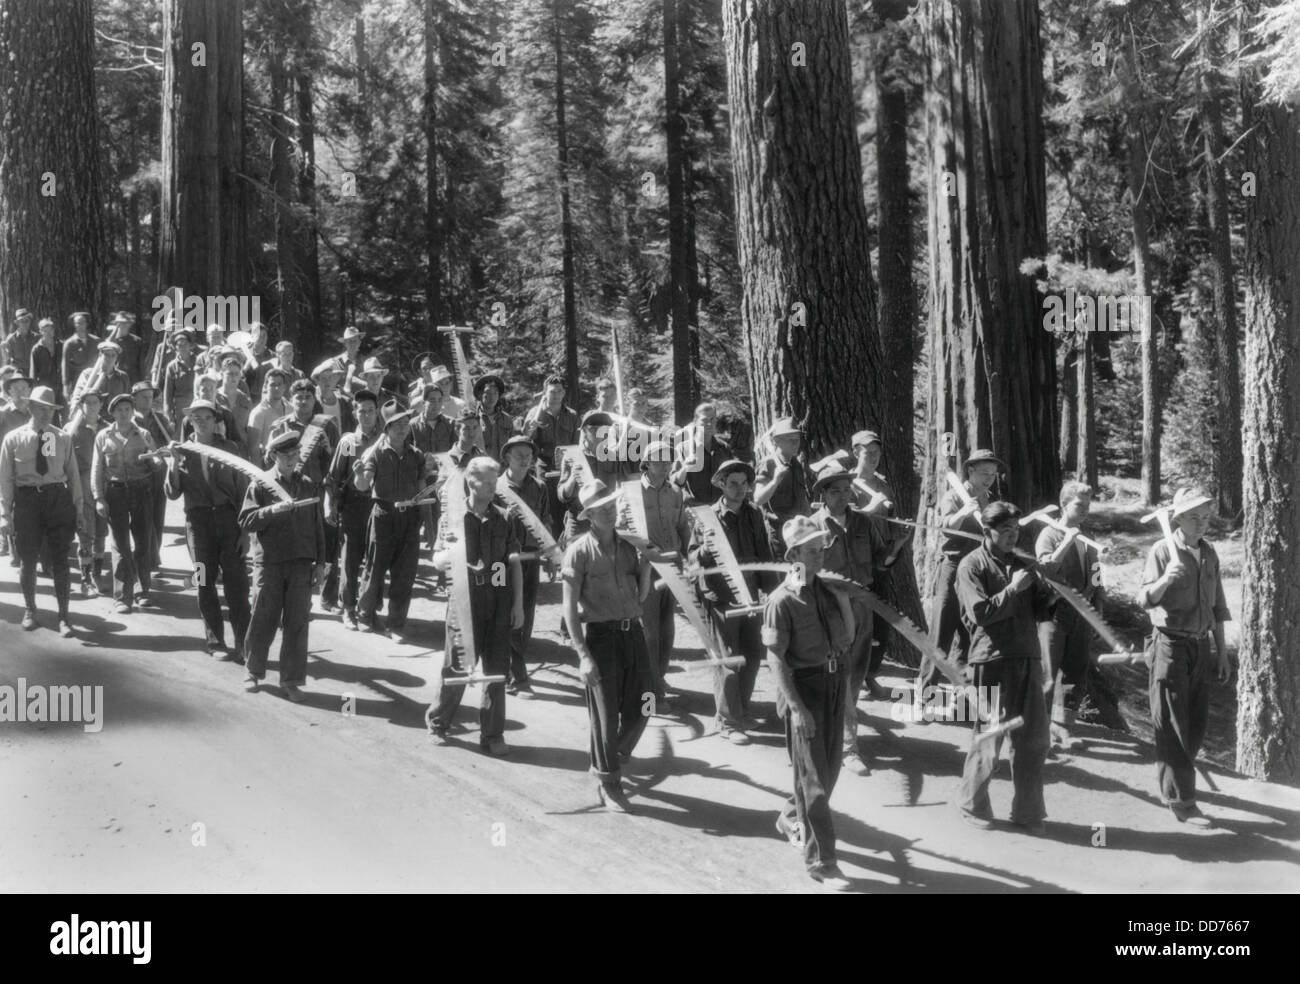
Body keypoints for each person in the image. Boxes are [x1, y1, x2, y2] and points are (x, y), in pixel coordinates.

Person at [761, 515, 855, 890]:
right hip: (805, 690)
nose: (819, 557)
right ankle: (822, 862)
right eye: (812, 551)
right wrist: (797, 708)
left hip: (833, 684)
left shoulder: (827, 591)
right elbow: (776, 659)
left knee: (827, 773)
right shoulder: (781, 600)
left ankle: (789, 816)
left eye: (821, 550)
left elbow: (845, 642)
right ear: (794, 553)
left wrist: (847, 696)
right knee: (814, 781)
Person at [955, 501, 1054, 834]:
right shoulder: (971, 565)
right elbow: (980, 613)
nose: (1013, 536)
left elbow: (1042, 611)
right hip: (990, 659)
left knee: (1034, 739)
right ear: (988, 532)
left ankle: (1028, 812)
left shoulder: (1023, 563)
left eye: (1016, 530)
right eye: (1006, 531)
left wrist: (1048, 586)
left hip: (1026, 657)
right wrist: (1013, 589)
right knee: (990, 737)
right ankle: (972, 804)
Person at [1137, 487, 1232, 829]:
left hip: (1200, 647)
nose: (1201, 523)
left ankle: (1173, 784)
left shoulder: (1209, 553)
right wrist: (1165, 581)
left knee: (1196, 724)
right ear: (1177, 518)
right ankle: (1182, 801)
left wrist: (1221, 652)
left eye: (1205, 517)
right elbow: (1144, 599)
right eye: (1194, 517)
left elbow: (1219, 606)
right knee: (1173, 724)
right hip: (1169, 646)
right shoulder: (1162, 550)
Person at [561, 481, 653, 812]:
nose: (610, 513)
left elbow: (640, 597)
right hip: (601, 638)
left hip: (633, 634)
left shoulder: (629, 547)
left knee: (648, 700)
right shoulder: (579, 551)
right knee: (604, 714)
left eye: (613, 506)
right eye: (602, 510)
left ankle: (617, 752)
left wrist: (645, 568)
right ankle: (609, 782)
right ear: (588, 516)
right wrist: (583, 656)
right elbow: (568, 608)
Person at [428, 456, 525, 754]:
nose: (493, 486)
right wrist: (451, 553)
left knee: (497, 669)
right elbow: (437, 559)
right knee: (458, 666)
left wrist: (517, 604)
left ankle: (493, 735)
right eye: (487, 481)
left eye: (495, 481)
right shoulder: (453, 517)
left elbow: (514, 564)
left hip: (498, 600)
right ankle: (438, 722)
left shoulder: (504, 517)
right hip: (463, 601)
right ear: (471, 481)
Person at [808, 460, 888, 777]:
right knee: (835, 676)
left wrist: (896, 548)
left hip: (862, 605)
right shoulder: (812, 526)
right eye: (836, 491)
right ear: (823, 495)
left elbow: (881, 562)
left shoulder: (864, 524)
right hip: (830, 609)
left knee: (855, 674)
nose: (844, 495)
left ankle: (839, 738)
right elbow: (800, 570)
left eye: (847, 489)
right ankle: (847, 749)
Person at [692, 459, 780, 745]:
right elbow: (691, 559)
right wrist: (704, 550)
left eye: (744, 484)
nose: (740, 489)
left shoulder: (755, 514)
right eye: (733, 484)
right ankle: (728, 722)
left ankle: (739, 710)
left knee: (752, 656)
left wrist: (772, 593)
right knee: (728, 657)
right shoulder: (706, 517)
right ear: (721, 484)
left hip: (752, 596)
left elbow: (765, 553)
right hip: (721, 598)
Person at [238, 429, 328, 702]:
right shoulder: (261, 484)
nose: (291, 459)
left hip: (301, 562)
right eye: (285, 455)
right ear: (274, 456)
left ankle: (290, 679)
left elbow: (317, 527)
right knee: (263, 617)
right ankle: (253, 671)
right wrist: (272, 511)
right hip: (271, 562)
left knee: (297, 623)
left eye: (295, 454)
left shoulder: (308, 484)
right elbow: (246, 520)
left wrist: (321, 563)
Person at [164, 400, 252, 659]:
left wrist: (246, 532)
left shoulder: (230, 449)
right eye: (196, 418)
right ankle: (215, 642)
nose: (201, 422)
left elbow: (244, 491)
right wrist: (173, 462)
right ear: (190, 421)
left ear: (216, 421)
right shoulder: (183, 449)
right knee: (204, 580)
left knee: (237, 583)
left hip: (228, 521)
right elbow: (172, 492)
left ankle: (244, 642)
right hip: (198, 524)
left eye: (206, 417)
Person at [0, 385, 84, 635]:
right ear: (30, 407)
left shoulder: (63, 438)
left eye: (50, 409)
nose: (46, 413)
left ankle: (64, 616)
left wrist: (79, 509)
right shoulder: (13, 439)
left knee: (60, 559)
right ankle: (30, 610)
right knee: (27, 559)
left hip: (57, 499)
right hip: (27, 502)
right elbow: (5, 480)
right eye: (40, 408)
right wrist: (4, 515)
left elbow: (74, 476)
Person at [925, 448, 1001, 687]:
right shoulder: (954, 496)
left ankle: (963, 699)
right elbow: (944, 526)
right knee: (941, 633)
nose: (989, 478)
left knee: (971, 636)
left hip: (976, 573)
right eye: (984, 472)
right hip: (953, 566)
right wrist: (964, 512)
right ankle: (924, 695)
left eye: (992, 473)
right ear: (970, 470)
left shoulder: (990, 499)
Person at [1035, 481, 1102, 751]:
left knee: (1075, 671)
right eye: (1079, 504)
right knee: (1048, 671)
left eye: (1088, 504)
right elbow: (1045, 569)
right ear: (1064, 504)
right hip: (1054, 613)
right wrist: (1066, 541)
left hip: (1082, 615)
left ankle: (1063, 727)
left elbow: (1097, 578)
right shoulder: (1049, 534)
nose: (1085, 509)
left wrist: (1098, 612)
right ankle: (1039, 731)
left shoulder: (1089, 540)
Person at [356, 400, 427, 641]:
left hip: (409, 518)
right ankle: (365, 615)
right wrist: (358, 475)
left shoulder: (416, 455)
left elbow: (422, 488)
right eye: (396, 424)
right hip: (383, 516)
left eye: (406, 423)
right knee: (375, 568)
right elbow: (363, 484)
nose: (402, 428)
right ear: (386, 428)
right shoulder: (376, 453)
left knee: (404, 573)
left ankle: (395, 624)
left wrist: (424, 506)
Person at [633, 441, 693, 712]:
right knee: (649, 631)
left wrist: (688, 559)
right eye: (659, 461)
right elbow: (624, 531)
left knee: (667, 629)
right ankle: (651, 691)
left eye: (669, 461)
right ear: (646, 463)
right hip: (646, 569)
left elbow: (682, 527)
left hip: (674, 567)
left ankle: (659, 676)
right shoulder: (631, 493)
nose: (666, 465)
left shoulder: (676, 493)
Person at [91, 393, 161, 613]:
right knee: (120, 546)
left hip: (141, 491)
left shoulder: (144, 434)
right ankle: (122, 596)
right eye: (119, 410)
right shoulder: (103, 436)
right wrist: (99, 498)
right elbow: (97, 470)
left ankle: (143, 592)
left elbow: (157, 463)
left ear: (133, 412)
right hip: (115, 492)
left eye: (127, 410)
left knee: (142, 543)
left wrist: (156, 460)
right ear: (112, 413)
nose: (124, 414)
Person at [850, 430, 904, 699]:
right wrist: (870, 507)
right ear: (855, 453)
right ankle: (854, 679)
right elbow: (843, 520)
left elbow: (891, 518)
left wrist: (899, 540)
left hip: (881, 561)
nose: (872, 458)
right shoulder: (846, 483)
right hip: (855, 563)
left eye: (876, 453)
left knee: (880, 623)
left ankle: (871, 675)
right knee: (858, 622)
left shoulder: (883, 484)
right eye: (867, 453)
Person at [498, 435, 552, 698]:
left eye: (528, 454)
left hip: (530, 558)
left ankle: (512, 667)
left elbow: (545, 520)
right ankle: (516, 675)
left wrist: (550, 552)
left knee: (526, 614)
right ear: (506, 457)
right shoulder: (496, 486)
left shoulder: (540, 487)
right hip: (502, 561)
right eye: (518, 453)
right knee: (506, 611)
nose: (524, 458)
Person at [326, 390, 382, 630]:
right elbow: (334, 477)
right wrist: (330, 505)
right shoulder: (349, 443)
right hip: (353, 506)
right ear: (354, 413)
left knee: (375, 560)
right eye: (362, 411)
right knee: (350, 559)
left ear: (377, 412)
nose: (366, 415)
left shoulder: (384, 440)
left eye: (370, 410)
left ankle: (369, 609)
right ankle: (348, 608)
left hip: (378, 506)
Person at [522, 374, 579, 540]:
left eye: (559, 391)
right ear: (545, 392)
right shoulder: (535, 413)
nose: (555, 395)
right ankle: (552, 548)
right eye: (552, 391)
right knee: (548, 509)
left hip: (567, 467)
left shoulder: (572, 415)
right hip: (544, 467)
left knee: (568, 506)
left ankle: (568, 544)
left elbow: (577, 443)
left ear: (564, 393)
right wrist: (528, 431)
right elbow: (526, 442)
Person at [557, 410, 623, 540]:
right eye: (594, 429)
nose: (600, 434)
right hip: (579, 520)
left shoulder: (613, 457)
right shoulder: (572, 456)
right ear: (584, 432)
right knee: (576, 556)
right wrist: (572, 479)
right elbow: (561, 495)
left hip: (606, 518)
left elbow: (622, 486)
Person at [131, 380, 174, 571]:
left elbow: (172, 443)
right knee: (142, 518)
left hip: (159, 473)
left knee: (158, 516)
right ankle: (145, 557)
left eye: (150, 397)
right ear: (134, 398)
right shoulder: (129, 420)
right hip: (138, 474)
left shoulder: (160, 419)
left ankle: (153, 556)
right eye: (143, 397)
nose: (148, 400)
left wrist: (167, 452)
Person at [753, 417, 814, 548]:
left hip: (799, 530)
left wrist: (811, 523)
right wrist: (775, 481)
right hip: (778, 532)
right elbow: (758, 499)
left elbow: (802, 498)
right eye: (791, 440)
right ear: (776, 441)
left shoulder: (796, 464)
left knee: (800, 568)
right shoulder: (768, 464)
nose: (796, 444)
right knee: (784, 568)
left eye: (797, 440)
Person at [70, 391, 108, 596]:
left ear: (101, 405)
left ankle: (97, 574)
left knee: (101, 532)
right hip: (82, 483)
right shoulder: (73, 430)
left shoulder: (107, 428)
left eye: (96, 402)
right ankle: (85, 579)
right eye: (88, 403)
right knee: (86, 532)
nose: (92, 406)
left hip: (103, 484)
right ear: (81, 406)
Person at [671, 402, 732, 504]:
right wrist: (685, 468)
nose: (709, 424)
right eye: (704, 420)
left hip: (722, 507)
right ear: (695, 422)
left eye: (712, 419)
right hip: (696, 508)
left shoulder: (724, 447)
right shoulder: (683, 448)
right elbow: (675, 483)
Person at [246, 368, 290, 462]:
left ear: (284, 387)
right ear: (266, 386)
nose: (277, 388)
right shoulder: (257, 413)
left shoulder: (291, 409)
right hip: (268, 464)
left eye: (279, 384)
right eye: (272, 384)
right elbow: (253, 451)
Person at [61, 311, 99, 403]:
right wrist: (66, 386)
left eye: (83, 323)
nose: (81, 326)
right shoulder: (69, 343)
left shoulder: (96, 341)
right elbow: (65, 365)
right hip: (77, 380)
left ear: (87, 324)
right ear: (74, 325)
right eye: (78, 323)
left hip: (94, 378)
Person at [474, 372, 513, 462]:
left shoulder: (507, 419)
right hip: (481, 469)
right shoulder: (473, 419)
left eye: (495, 393)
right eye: (488, 393)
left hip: (502, 469)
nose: (492, 397)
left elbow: (512, 447)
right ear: (480, 394)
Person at [161, 330, 198, 426]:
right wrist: (168, 412)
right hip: (180, 409)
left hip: (198, 405)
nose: (182, 347)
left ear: (190, 345)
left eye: (185, 344)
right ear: (175, 347)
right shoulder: (172, 366)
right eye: (179, 345)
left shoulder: (199, 361)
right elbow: (168, 393)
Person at [107, 312, 146, 383]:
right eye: (120, 323)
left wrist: (143, 380)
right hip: (116, 378)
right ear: (116, 324)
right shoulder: (111, 342)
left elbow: (141, 364)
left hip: (133, 379)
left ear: (130, 324)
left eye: (126, 323)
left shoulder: (137, 341)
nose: (123, 325)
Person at [28, 317, 61, 396]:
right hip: (44, 387)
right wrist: (35, 390)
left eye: (51, 330)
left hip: (60, 386)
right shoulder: (37, 349)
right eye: (46, 331)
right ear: (41, 332)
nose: (49, 333)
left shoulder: (61, 345)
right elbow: (33, 373)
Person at [2, 308, 37, 380]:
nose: (25, 323)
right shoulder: (11, 339)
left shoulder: (36, 338)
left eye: (27, 321)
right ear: (17, 323)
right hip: (17, 374)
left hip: (34, 373)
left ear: (30, 322)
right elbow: (7, 359)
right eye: (22, 321)